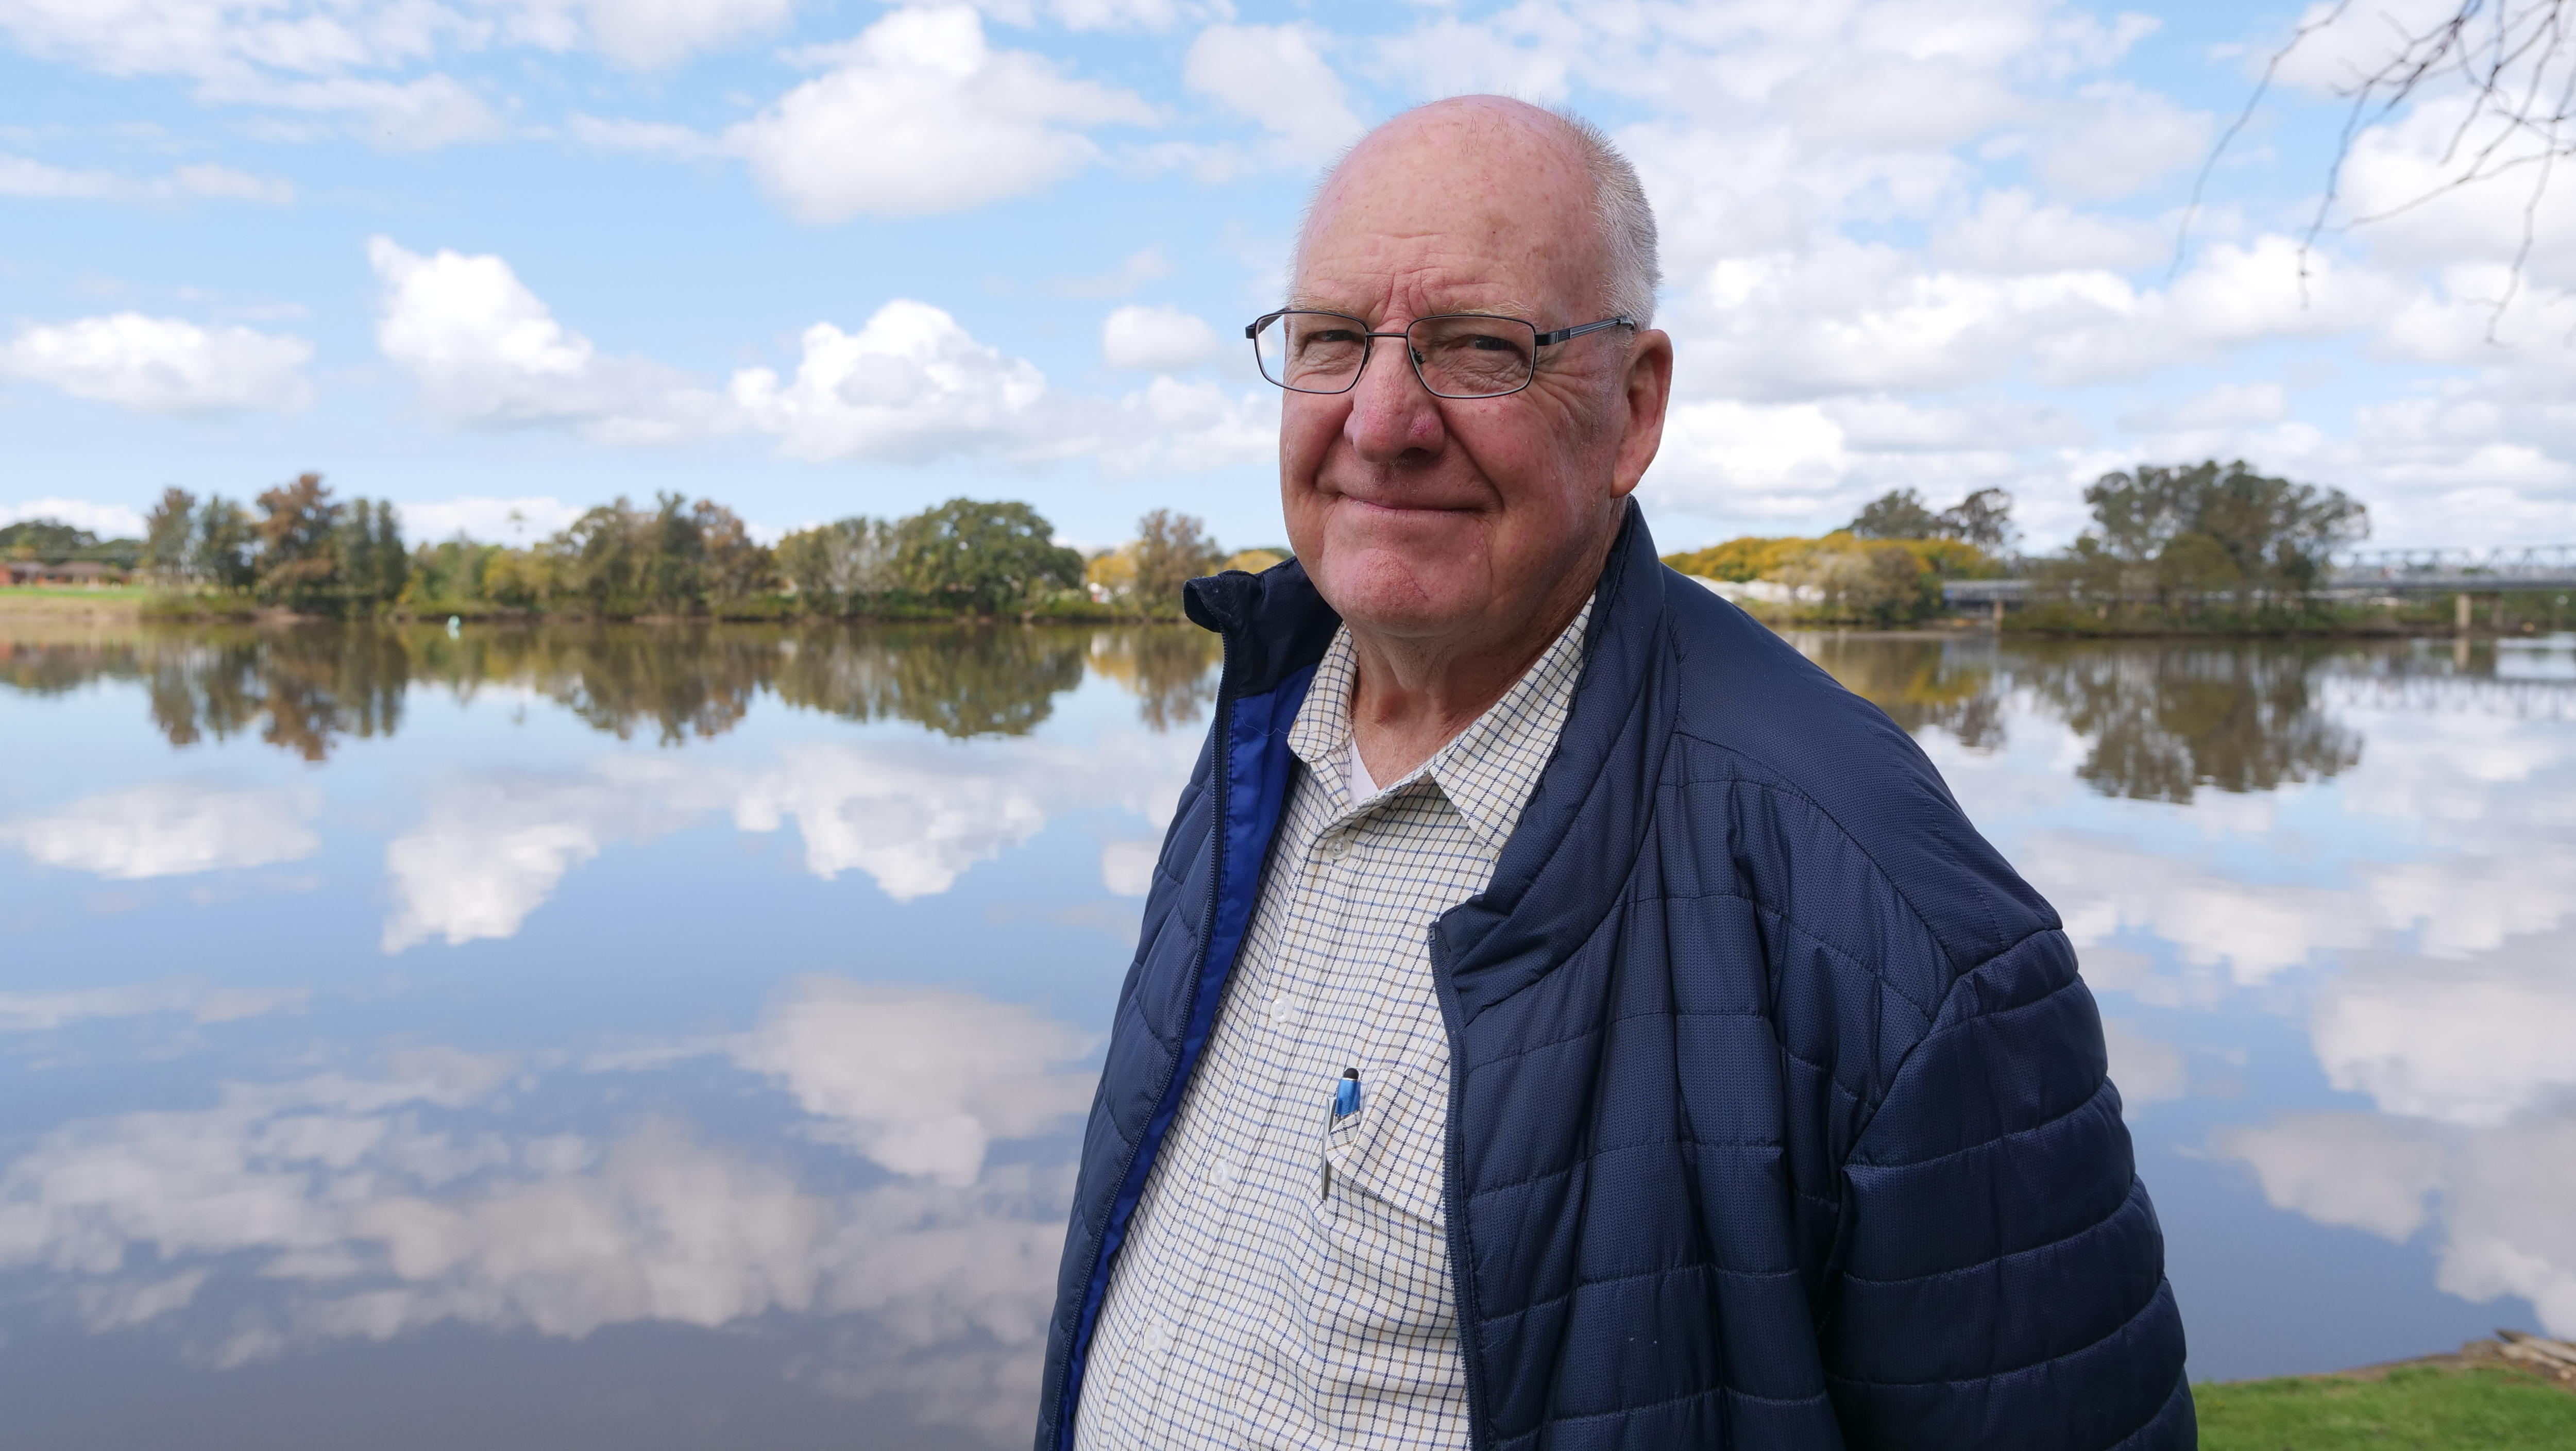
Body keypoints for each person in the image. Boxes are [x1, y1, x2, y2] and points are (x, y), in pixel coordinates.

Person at [1035, 96, 2190, 1450]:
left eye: (1479, 350)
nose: (1384, 418)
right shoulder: (1268, 727)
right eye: (1334, 341)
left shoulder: (1888, 911)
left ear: (1633, 408)